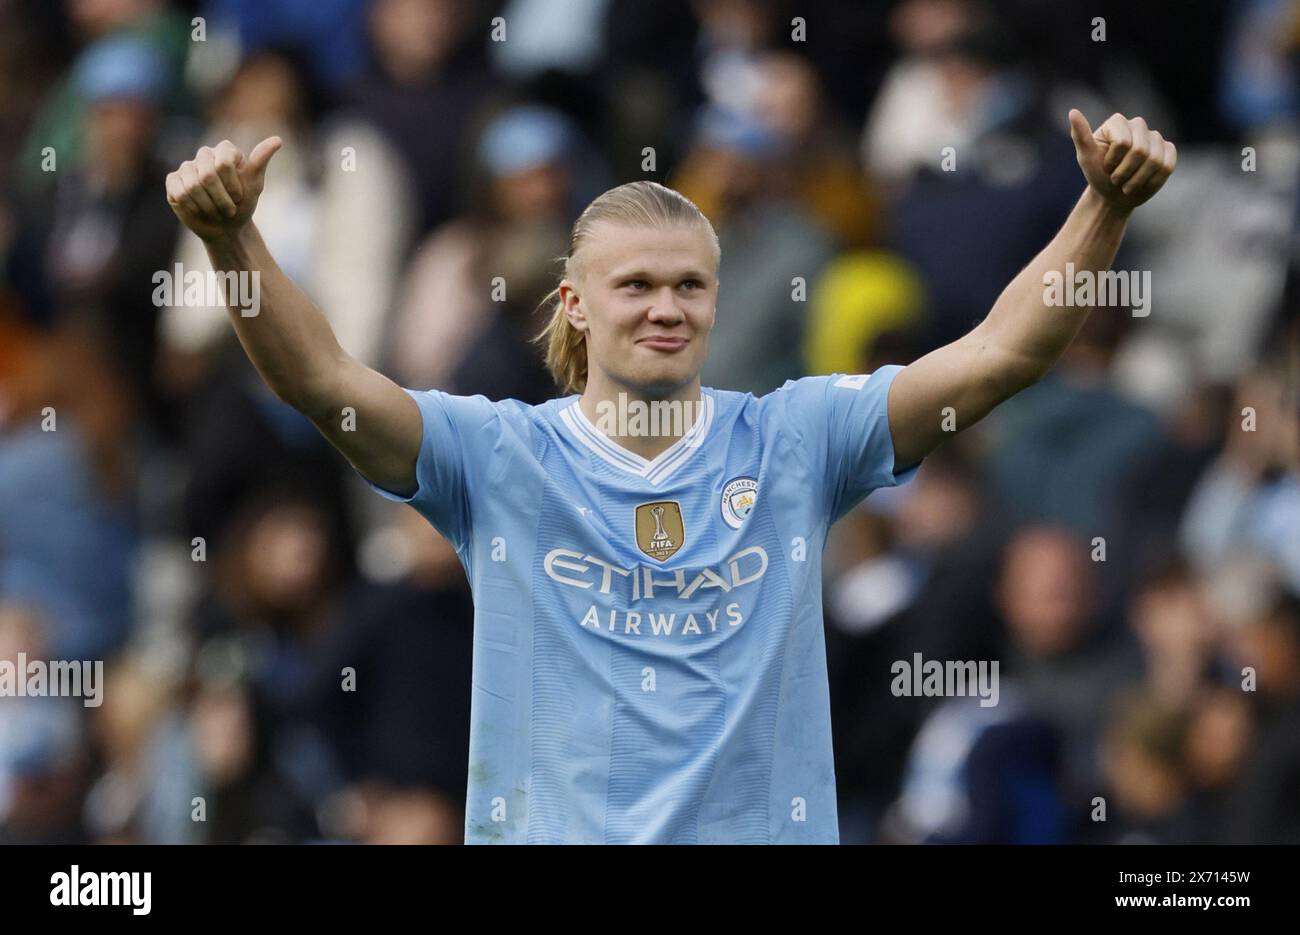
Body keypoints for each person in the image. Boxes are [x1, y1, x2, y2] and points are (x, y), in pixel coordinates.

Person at [162, 109, 1177, 843]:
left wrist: (1101, 207)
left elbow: (1000, 355)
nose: (665, 306)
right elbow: (319, 377)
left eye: (689, 283)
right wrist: (227, 236)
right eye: (635, 283)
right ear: (574, 303)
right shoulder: (497, 456)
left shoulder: (798, 437)